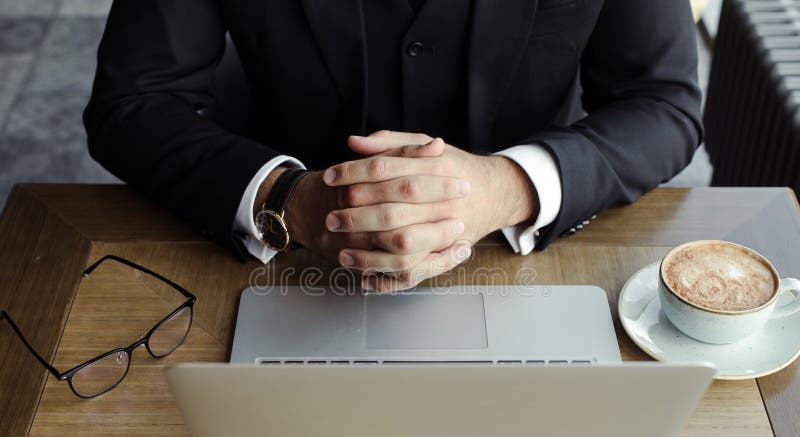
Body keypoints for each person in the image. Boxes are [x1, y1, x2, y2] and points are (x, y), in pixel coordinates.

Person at [84, 0, 702, 292]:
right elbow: (131, 102)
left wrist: (508, 186)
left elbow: (663, 103)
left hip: (529, 259)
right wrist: (286, 197)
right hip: (276, 266)